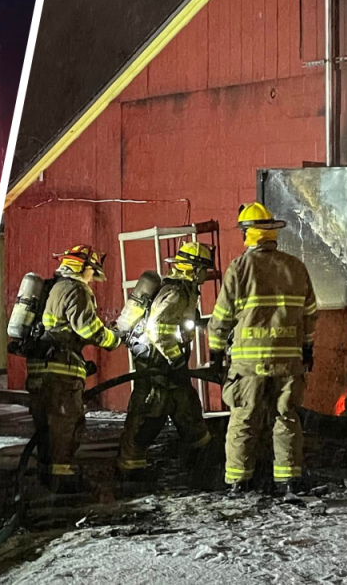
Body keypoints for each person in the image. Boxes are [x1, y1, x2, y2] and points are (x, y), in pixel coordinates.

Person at [208, 203, 318, 496]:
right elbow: (309, 313)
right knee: (286, 416)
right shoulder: (296, 266)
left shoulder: (240, 268)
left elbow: (222, 316)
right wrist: (307, 347)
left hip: (248, 363)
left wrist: (215, 350)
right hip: (288, 360)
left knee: (244, 417)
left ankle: (238, 481)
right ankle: (288, 479)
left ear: (247, 233)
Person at [116, 241, 214, 483]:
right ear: (192, 269)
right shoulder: (176, 293)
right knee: (147, 419)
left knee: (189, 411)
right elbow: (158, 329)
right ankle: (129, 471)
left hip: (168, 369)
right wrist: (177, 362)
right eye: (203, 269)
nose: (205, 275)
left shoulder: (185, 291)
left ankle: (202, 462)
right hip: (156, 370)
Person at [27, 244, 122, 493]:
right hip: (60, 372)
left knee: (47, 428)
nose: (93, 279)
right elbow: (88, 329)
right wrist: (114, 339)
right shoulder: (75, 289)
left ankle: (47, 479)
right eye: (92, 272)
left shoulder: (53, 287)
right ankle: (62, 483)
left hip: (42, 368)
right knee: (65, 425)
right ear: (83, 268)